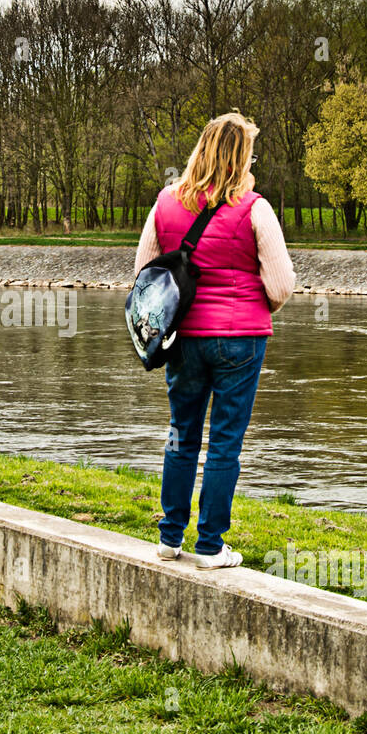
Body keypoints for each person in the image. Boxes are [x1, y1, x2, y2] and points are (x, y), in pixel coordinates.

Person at [133, 112, 295, 569]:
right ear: (241, 158)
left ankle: (169, 538)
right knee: (225, 442)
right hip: (240, 339)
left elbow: (144, 276)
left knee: (181, 435)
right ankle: (210, 545)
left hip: (184, 340)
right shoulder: (255, 208)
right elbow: (280, 286)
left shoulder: (165, 203)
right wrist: (252, 307)